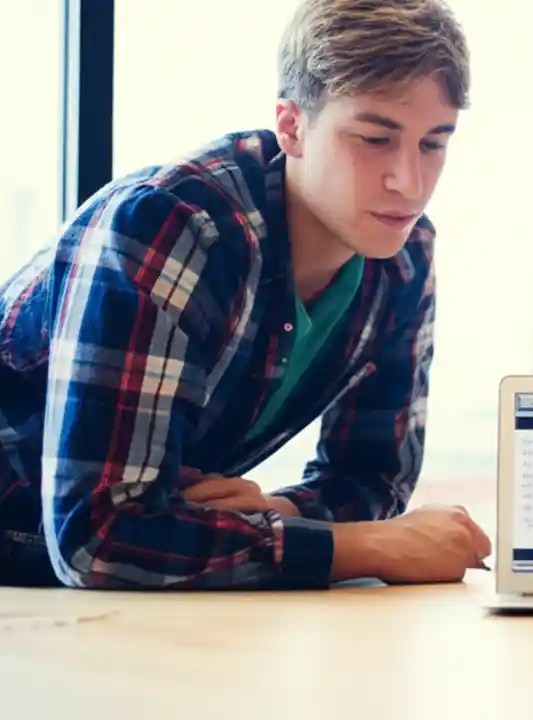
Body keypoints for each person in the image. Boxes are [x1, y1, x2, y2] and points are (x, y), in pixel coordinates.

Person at [0, 0, 490, 589]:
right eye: (373, 139)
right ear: (291, 126)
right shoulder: (172, 226)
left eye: (433, 144)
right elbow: (97, 538)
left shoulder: (403, 256)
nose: (409, 184)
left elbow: (371, 482)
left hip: (89, 599)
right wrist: (353, 547)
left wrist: (278, 516)